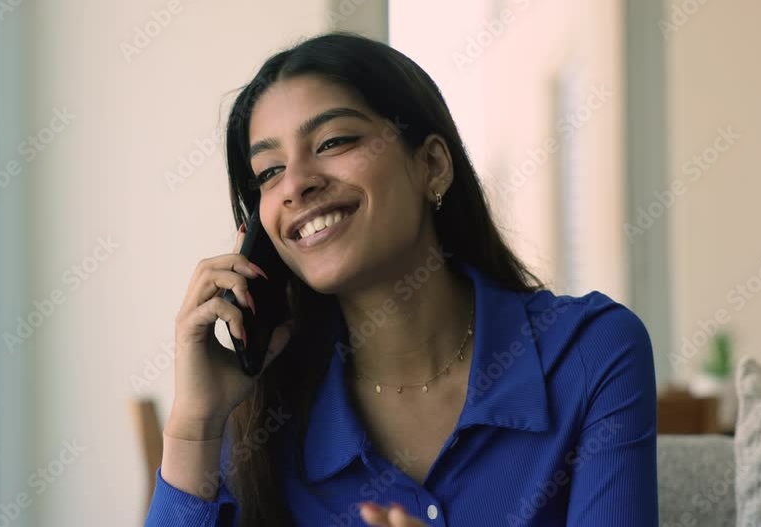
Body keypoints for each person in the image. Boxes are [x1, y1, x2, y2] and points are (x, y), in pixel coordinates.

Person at [144, 32, 658, 527]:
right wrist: (194, 427)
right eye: (268, 173)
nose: (296, 184)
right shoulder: (260, 412)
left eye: (333, 141)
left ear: (432, 164)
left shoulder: (591, 354)